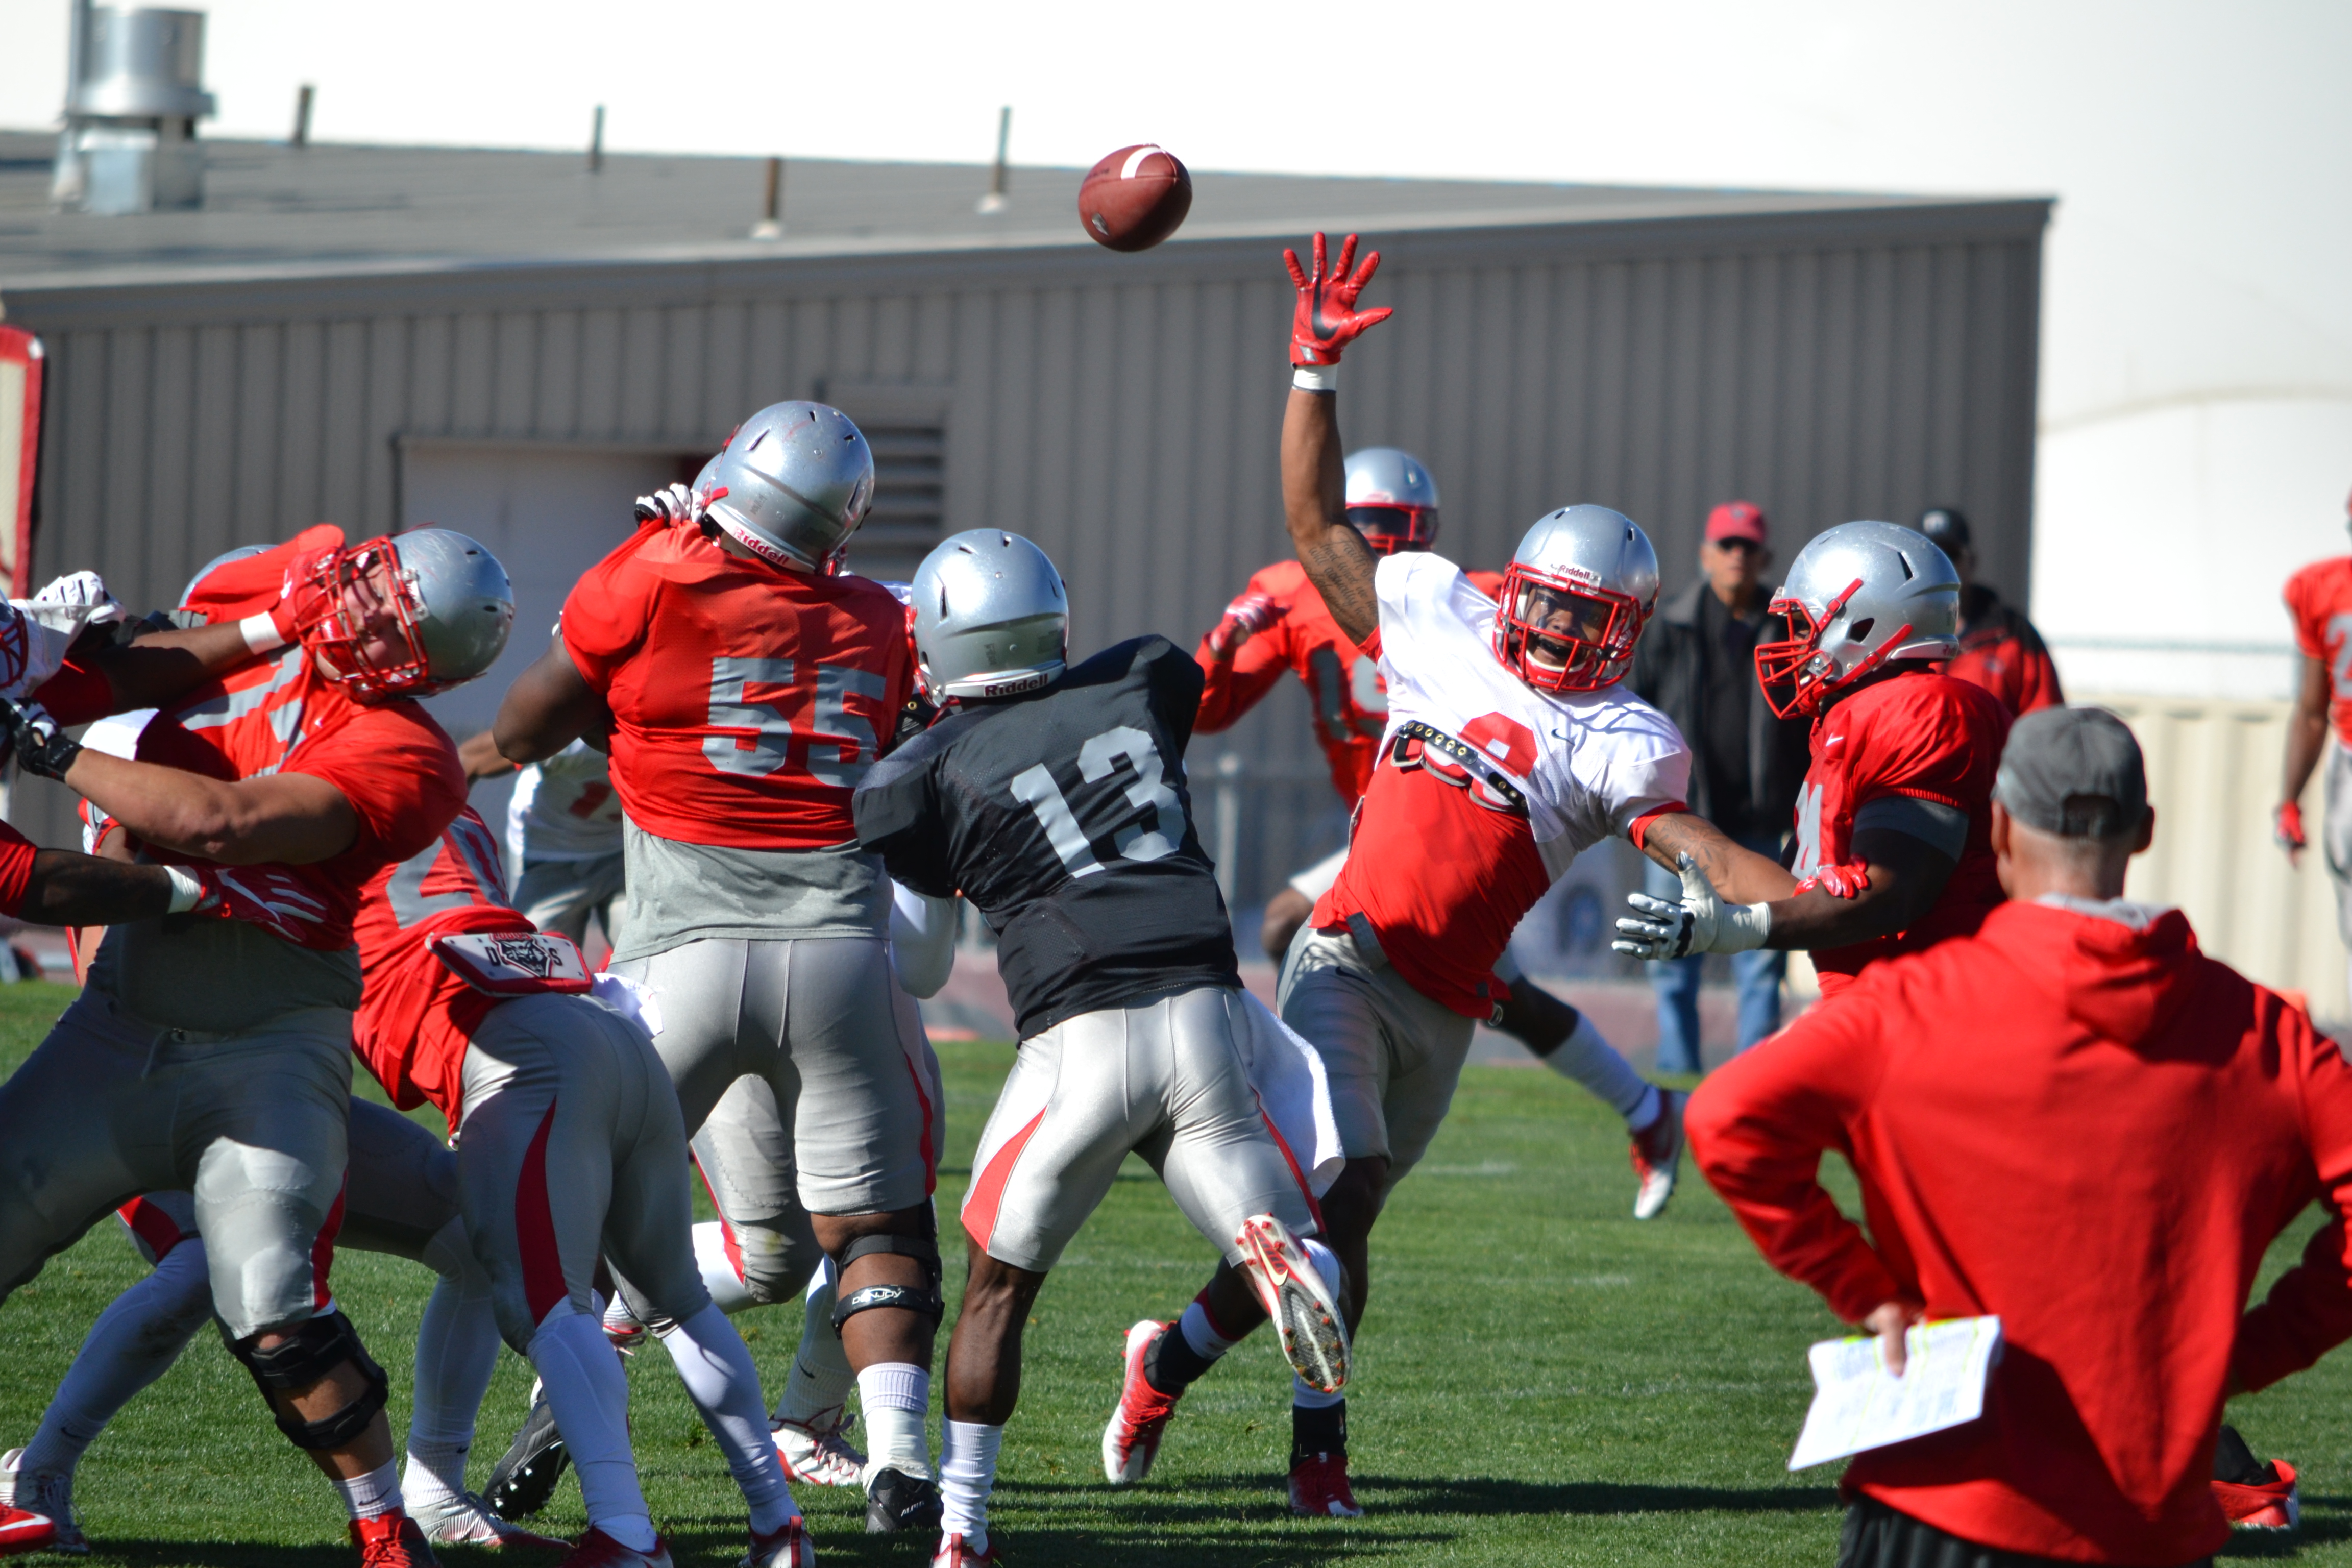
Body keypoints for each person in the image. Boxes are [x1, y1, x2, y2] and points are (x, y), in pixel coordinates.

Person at [1109, 232, 1799, 1521]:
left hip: (1449, 1000)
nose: (1551, 626)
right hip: (1349, 953)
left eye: (1584, 614)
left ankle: (1168, 1356)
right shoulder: (1436, 612)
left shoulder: (1626, 737)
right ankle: (1322, 1456)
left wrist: (1813, 899)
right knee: (1342, 1195)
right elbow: (1314, 526)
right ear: (1514, 588)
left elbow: (1692, 846)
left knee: (1339, 1221)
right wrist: (1313, 366)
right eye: (1543, 600)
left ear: (1625, 628)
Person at [1685, 705, 2346, 1566]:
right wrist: (2244, 1353)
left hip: (1939, 1500)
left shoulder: (1910, 1005)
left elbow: (1723, 1118)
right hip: (2146, 1517)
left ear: (1996, 828)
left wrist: (1867, 1292)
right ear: (2142, 830)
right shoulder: (2269, 1033)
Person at [0, 525, 511, 1568]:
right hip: (120, 1019)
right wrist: (67, 662)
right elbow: (153, 658)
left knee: (270, 1294)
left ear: (414, 664)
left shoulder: (408, 752)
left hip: (266, 1042)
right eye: (361, 581)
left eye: (386, 613)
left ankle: (386, 1529)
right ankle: (35, 1478)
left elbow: (219, 824)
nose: (354, 606)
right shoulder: (271, 613)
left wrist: (41, 735)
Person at [491, 402, 948, 1537]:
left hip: (676, 959)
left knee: (587, 1218)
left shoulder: (653, 572)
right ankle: (897, 1467)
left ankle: (538, 1443)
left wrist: (660, 559)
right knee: (879, 1224)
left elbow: (527, 723)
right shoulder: (882, 620)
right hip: (839, 959)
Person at [853, 527, 1347, 1568]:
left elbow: (926, 967)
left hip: (1081, 1040)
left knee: (997, 1287)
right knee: (1265, 1208)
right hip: (1210, 1013)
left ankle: (962, 1532)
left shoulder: (920, 773)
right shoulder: (1143, 679)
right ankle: (1280, 1253)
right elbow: (1161, 685)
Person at [1195, 452, 1671, 1190]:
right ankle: (1642, 1106)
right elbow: (1206, 707)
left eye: (1405, 529)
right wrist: (1222, 643)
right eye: (1373, 525)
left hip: (1451, 810)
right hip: (1390, 814)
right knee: (1497, 994)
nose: (1386, 545)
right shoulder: (1295, 589)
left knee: (1303, 926)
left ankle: (1287, 1106)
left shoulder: (1468, 600)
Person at [1614, 521, 2015, 1006]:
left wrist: (1742, 929)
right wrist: (1637, 814)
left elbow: (1890, 895)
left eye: (1804, 625)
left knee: (1745, 1085)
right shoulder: (1849, 717)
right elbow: (1783, 889)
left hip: (1938, 1008)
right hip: (1877, 1002)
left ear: (1866, 623)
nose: (1796, 644)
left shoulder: (1921, 708)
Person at [1626, 500, 1809, 1069]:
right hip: (1680, 821)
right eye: (1727, 546)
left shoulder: (1791, 632)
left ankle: (1753, 1078)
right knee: (1671, 958)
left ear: (1765, 558)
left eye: (1747, 547)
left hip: (1758, 821)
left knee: (1761, 960)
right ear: (1706, 555)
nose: (1737, 557)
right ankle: (1680, 1075)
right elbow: (1637, 712)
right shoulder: (1672, 626)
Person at [2276, 489, 2352, 1013]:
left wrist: (2290, 802)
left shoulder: (2323, 588)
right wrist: (2289, 801)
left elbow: (2310, 710)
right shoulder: (2319, 589)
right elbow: (2311, 708)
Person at [455, 727, 625, 949]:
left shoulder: (675, 732)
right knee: (543, 969)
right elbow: (467, 761)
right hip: (549, 857)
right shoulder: (573, 741)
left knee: (651, 961)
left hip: (622, 855)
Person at [1915, 506, 2063, 716]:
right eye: (1930, 556)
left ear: (1972, 562)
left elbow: (2046, 724)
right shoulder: (1894, 632)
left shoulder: (2012, 634)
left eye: (1952, 555)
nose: (1942, 566)